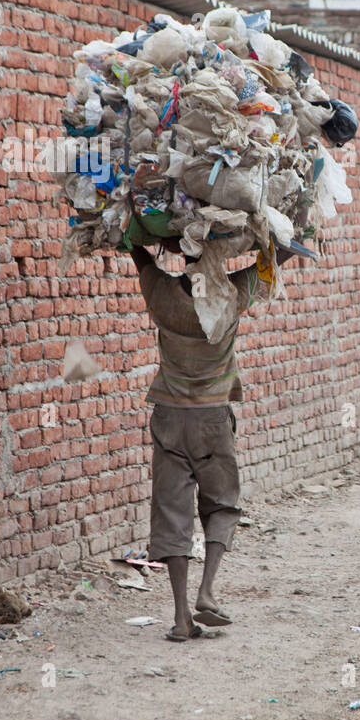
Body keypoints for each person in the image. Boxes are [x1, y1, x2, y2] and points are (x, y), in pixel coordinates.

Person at [128, 237, 267, 642]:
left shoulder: (161, 295)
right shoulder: (231, 296)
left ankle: (180, 617)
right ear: (218, 259)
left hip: (169, 417)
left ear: (184, 258)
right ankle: (207, 591)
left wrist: (133, 234)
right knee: (222, 503)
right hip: (212, 419)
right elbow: (270, 265)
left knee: (172, 510)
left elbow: (139, 255)